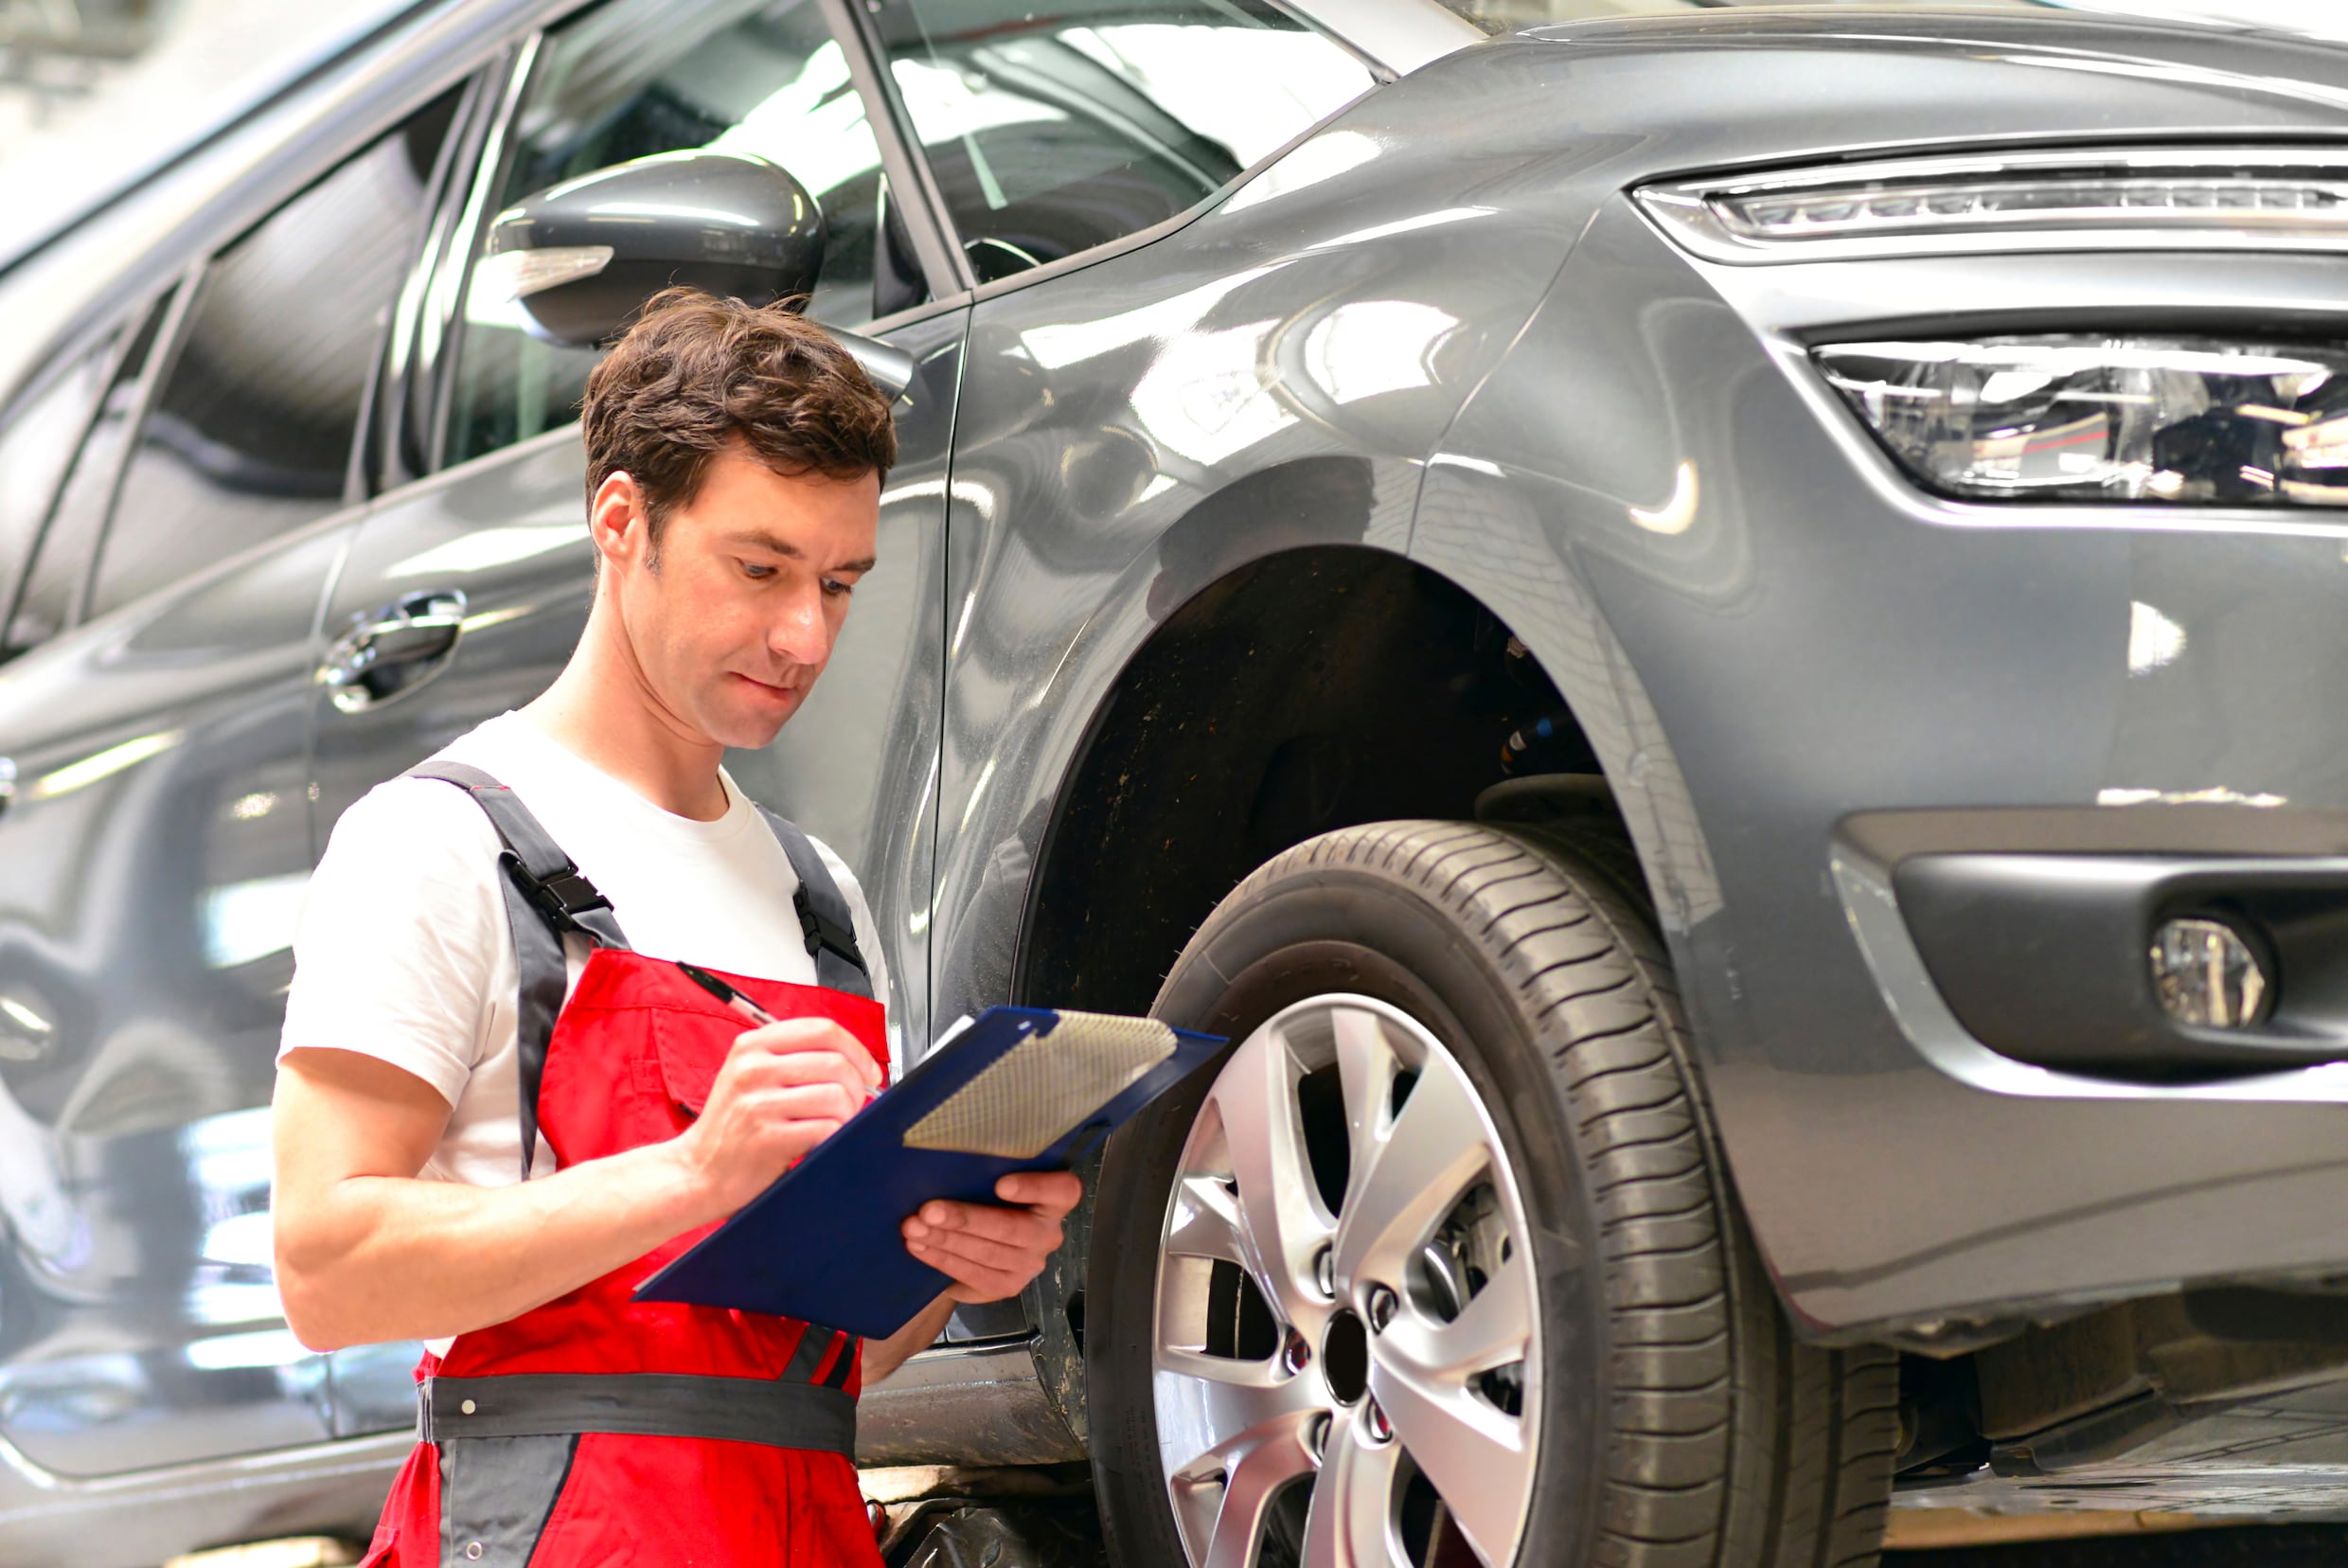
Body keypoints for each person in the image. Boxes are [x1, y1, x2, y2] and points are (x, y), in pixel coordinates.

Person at [270, 288, 1080, 1567]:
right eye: (758, 569)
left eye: (840, 583)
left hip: (803, 1522)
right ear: (621, 522)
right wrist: (693, 1176)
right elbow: (325, 1269)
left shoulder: (817, 898)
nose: (804, 633)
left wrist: (944, 1269)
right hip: (555, 1532)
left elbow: (812, 1356)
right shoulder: (441, 842)